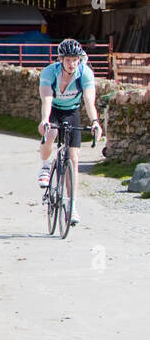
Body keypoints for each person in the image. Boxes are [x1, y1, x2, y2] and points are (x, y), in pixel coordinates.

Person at [37, 38, 102, 226]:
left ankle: (72, 206)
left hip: (72, 111)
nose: (72, 64)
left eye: (75, 60)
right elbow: (46, 99)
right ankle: (45, 165)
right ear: (61, 60)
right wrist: (44, 120)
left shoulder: (85, 74)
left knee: (73, 158)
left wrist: (95, 122)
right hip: (53, 109)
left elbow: (89, 101)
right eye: (68, 60)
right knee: (51, 134)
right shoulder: (50, 72)